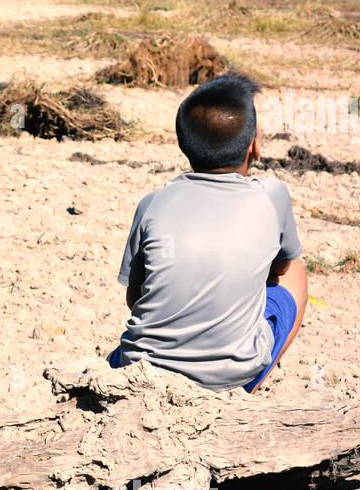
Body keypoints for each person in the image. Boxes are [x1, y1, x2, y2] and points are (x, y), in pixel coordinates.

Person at [107, 72, 307, 393]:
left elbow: (135, 298)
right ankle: (246, 387)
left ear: (184, 144)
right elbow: (282, 268)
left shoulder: (152, 203)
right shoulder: (272, 196)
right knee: (294, 270)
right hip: (231, 378)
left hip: (140, 369)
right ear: (254, 144)